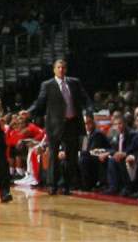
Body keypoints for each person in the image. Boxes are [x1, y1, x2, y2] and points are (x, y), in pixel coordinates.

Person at [27, 59, 90, 195]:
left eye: (63, 67)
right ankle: (52, 185)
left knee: (71, 156)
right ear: (54, 70)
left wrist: (90, 110)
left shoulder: (74, 83)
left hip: (72, 122)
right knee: (53, 155)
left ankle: (66, 184)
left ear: (66, 70)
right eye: (58, 67)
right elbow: (40, 101)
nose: (61, 70)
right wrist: (30, 111)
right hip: (55, 125)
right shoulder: (48, 85)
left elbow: (85, 99)